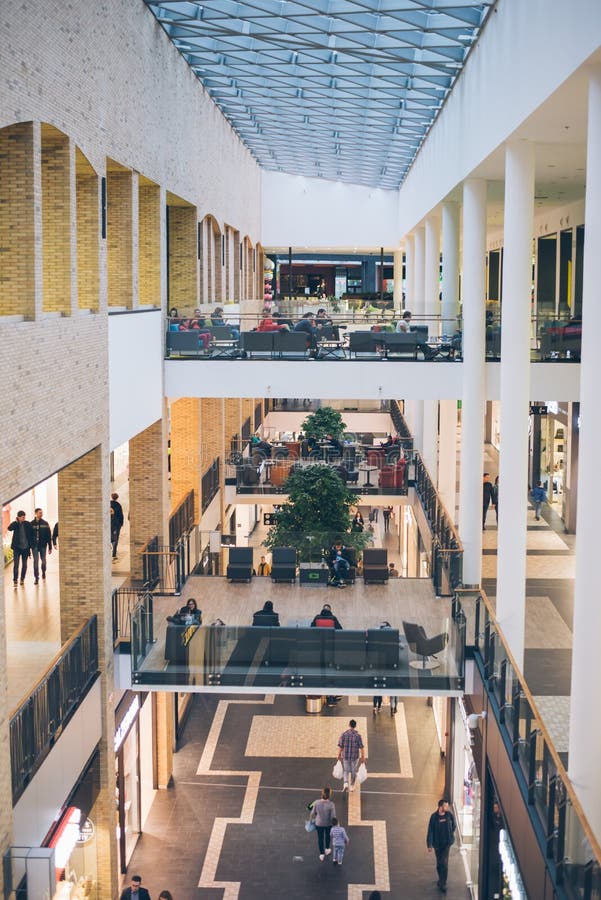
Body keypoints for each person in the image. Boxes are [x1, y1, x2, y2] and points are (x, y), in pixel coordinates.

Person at [426, 799, 456, 894]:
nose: (447, 807)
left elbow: (454, 825)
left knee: (444, 863)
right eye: (445, 806)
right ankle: (440, 879)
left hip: (446, 844)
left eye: (447, 806)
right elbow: (430, 830)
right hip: (437, 845)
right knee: (439, 864)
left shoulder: (449, 815)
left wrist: (450, 834)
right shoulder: (434, 817)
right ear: (440, 807)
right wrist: (429, 844)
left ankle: (443, 883)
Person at [337, 719, 365, 791]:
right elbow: (361, 747)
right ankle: (352, 785)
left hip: (345, 756)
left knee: (346, 770)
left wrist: (339, 754)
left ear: (349, 725)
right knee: (353, 770)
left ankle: (345, 783)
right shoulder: (358, 736)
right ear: (355, 726)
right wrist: (363, 757)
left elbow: (340, 746)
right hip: (354, 757)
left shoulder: (344, 734)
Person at [8, 510, 33, 587]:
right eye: (22, 517)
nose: (24, 518)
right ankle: (15, 580)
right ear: (18, 517)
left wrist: (30, 545)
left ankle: (22, 579)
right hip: (17, 548)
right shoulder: (15, 524)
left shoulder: (27, 524)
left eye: (24, 517)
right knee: (16, 565)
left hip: (25, 548)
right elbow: (9, 528)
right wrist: (16, 522)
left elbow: (32, 533)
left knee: (24, 565)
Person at [311, 786, 336, 861]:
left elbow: (313, 813)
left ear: (322, 794)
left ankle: (321, 854)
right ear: (329, 795)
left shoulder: (316, 802)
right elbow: (333, 817)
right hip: (328, 824)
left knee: (320, 838)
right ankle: (327, 849)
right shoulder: (331, 804)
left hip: (318, 824)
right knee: (328, 836)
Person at [30, 508, 53, 584]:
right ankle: (36, 578)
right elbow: (29, 536)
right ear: (36, 513)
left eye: (42, 513)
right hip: (34, 546)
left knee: (43, 561)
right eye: (40, 513)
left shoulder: (45, 523)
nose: (41, 514)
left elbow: (49, 536)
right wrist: (30, 546)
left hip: (43, 545)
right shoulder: (31, 524)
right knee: (35, 562)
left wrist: (50, 547)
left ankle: (43, 571)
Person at [110, 492, 124, 559]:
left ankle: (108, 550)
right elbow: (121, 516)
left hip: (109, 524)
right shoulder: (118, 505)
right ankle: (114, 554)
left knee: (109, 538)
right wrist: (121, 524)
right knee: (116, 539)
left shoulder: (108, 504)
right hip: (116, 525)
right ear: (117, 498)